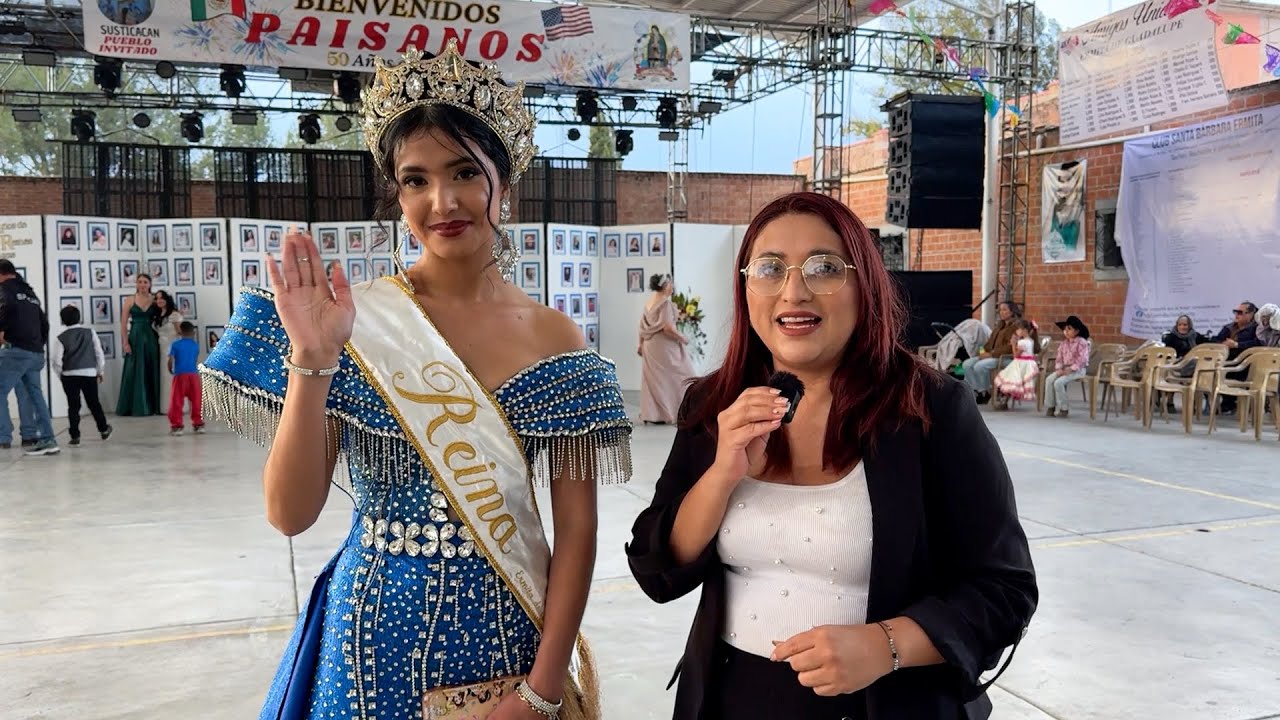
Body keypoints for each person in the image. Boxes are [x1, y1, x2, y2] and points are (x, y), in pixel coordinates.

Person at [200, 41, 630, 720]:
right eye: (415, 180)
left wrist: (543, 689)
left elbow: (577, 532)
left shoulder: (556, 340)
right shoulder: (358, 323)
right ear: (397, 196)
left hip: (504, 633)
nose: (442, 200)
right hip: (367, 638)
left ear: (505, 183)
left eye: (465, 172)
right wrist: (313, 356)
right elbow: (289, 514)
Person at [625, 192, 1036, 720]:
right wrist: (722, 474)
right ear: (745, 288)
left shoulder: (930, 409)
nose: (794, 291)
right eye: (769, 268)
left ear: (865, 284)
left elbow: (1004, 588)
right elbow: (659, 569)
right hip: (730, 700)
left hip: (885, 706)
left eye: (824, 268)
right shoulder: (715, 403)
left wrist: (887, 645)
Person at [0, 260, 60, 455]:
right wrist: (37, 345)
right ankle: (46, 438)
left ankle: (3, 437)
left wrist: (4, 333)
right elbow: (45, 324)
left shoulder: (4, 290)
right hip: (35, 353)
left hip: (16, 351)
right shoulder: (30, 293)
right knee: (34, 394)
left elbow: (5, 312)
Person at [51, 304, 112, 447]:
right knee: (94, 403)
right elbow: (99, 353)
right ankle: (103, 429)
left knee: (73, 405)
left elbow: (56, 361)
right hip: (89, 373)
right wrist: (100, 371)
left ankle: (75, 436)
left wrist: (61, 375)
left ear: (63, 320)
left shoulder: (60, 338)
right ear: (79, 317)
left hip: (69, 375)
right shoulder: (90, 332)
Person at [638, 273, 695, 424]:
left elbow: (641, 326)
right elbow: (667, 328)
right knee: (681, 375)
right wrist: (683, 338)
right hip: (664, 347)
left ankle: (654, 415)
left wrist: (640, 344)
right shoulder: (665, 304)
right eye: (670, 284)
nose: (672, 286)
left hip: (649, 345)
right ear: (664, 286)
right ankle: (678, 411)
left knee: (655, 380)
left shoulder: (649, 303)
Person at [960, 301, 1023, 404]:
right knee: (967, 364)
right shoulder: (999, 326)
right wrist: (982, 352)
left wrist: (991, 354)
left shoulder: (1016, 327)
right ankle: (978, 390)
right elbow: (989, 343)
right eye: (1000, 310)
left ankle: (986, 391)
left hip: (1005, 357)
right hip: (991, 355)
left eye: (1004, 310)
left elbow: (1009, 347)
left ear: (1012, 312)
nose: (1001, 312)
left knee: (980, 366)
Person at [117, 273, 161, 416]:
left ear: (150, 284)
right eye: (140, 282)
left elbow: (165, 315)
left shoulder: (155, 300)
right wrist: (125, 342)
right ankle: (135, 406)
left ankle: (154, 406)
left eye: (145, 282)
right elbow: (123, 324)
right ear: (136, 284)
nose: (142, 285)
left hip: (151, 337)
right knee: (134, 369)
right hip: (135, 337)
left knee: (151, 368)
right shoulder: (130, 300)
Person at [1211, 302, 1260, 414]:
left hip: (1244, 362)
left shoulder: (1256, 329)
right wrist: (1223, 344)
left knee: (1230, 368)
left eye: (1240, 312)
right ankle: (1218, 403)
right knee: (1210, 368)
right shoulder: (1228, 327)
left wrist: (1237, 345)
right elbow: (1216, 339)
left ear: (1251, 314)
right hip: (1226, 360)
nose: (1237, 315)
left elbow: (1257, 344)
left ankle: (1229, 403)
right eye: (1235, 312)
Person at [1043, 315, 1091, 418]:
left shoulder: (1082, 343)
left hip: (1078, 369)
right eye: (1065, 329)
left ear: (1076, 331)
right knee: (1049, 379)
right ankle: (1051, 406)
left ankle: (1063, 408)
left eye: (1069, 329)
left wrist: (1071, 368)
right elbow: (1059, 358)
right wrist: (1059, 368)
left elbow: (1082, 359)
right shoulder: (1064, 343)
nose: (1066, 331)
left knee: (1058, 383)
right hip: (1064, 368)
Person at [991, 319, 1040, 409]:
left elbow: (1016, 355)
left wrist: (1013, 344)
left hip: (1021, 364)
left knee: (1009, 378)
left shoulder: (1022, 342)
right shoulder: (1030, 341)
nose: (1016, 331)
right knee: (1010, 378)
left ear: (1024, 330)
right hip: (1028, 363)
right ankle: (1004, 400)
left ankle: (1004, 400)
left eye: (1018, 329)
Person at [167, 321, 203, 436]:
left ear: (180, 332)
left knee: (176, 401)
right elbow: (195, 359)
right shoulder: (195, 345)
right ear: (193, 332)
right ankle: (198, 424)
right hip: (193, 375)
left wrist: (170, 369)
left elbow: (170, 360)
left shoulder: (175, 344)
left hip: (180, 375)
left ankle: (177, 426)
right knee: (196, 400)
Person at [153, 290, 185, 411]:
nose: (159, 300)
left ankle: (176, 407)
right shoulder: (158, 315)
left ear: (167, 299)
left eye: (162, 298)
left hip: (172, 349)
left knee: (172, 376)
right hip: (162, 348)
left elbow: (180, 332)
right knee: (165, 377)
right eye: (157, 298)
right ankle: (166, 406)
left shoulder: (174, 314)